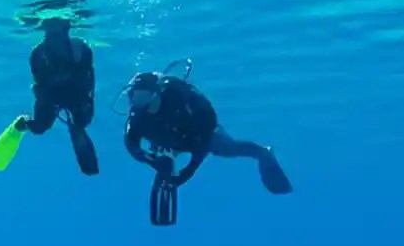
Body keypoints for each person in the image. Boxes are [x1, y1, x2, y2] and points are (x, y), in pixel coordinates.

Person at [123, 67, 291, 224]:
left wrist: (189, 170)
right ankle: (167, 161)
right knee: (164, 160)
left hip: (199, 134)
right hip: (168, 138)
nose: (138, 103)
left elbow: (203, 140)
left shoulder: (181, 103)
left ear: (156, 94)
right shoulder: (137, 115)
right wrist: (150, 159)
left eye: (142, 97)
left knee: (226, 147)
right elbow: (131, 142)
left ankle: (262, 153)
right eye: (133, 97)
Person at [13, 16, 99, 175]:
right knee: (74, 125)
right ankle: (89, 167)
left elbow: (89, 77)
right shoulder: (43, 53)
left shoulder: (75, 49)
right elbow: (89, 77)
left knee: (75, 125)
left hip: (66, 96)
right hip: (60, 97)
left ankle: (89, 167)